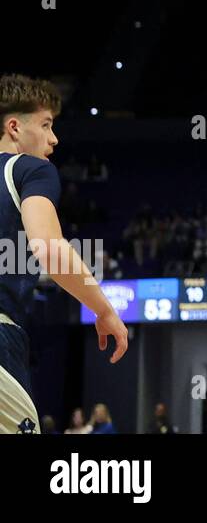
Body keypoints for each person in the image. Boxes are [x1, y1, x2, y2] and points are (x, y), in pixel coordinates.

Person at [1, 74, 129, 434]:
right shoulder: (29, 169)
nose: (54, 138)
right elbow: (49, 249)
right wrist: (104, 310)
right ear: (14, 127)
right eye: (46, 125)